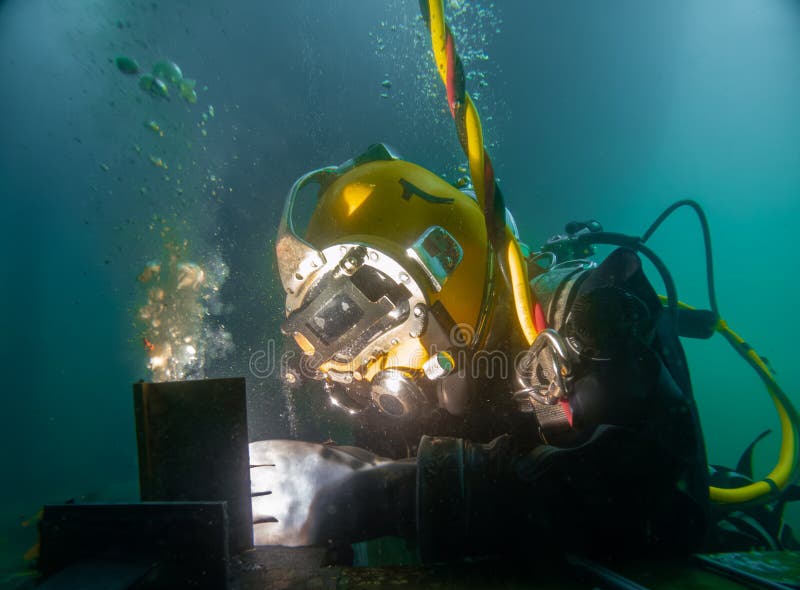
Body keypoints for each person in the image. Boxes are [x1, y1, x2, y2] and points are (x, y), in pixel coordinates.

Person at [250, 143, 712, 563]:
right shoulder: (394, 385)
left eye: (371, 334)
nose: (374, 379)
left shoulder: (581, 328)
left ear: (446, 278)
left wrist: (393, 494)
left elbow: (657, 505)